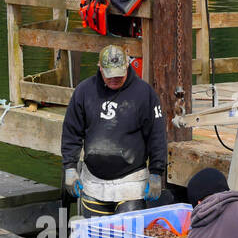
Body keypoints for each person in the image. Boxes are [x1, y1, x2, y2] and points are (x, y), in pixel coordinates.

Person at [61, 44, 168, 219]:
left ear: (127, 66)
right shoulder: (84, 91)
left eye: (119, 75)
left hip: (131, 182)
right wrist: (70, 167)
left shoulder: (144, 93)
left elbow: (157, 136)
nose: (114, 80)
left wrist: (156, 172)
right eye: (109, 75)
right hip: (93, 182)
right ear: (100, 68)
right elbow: (71, 132)